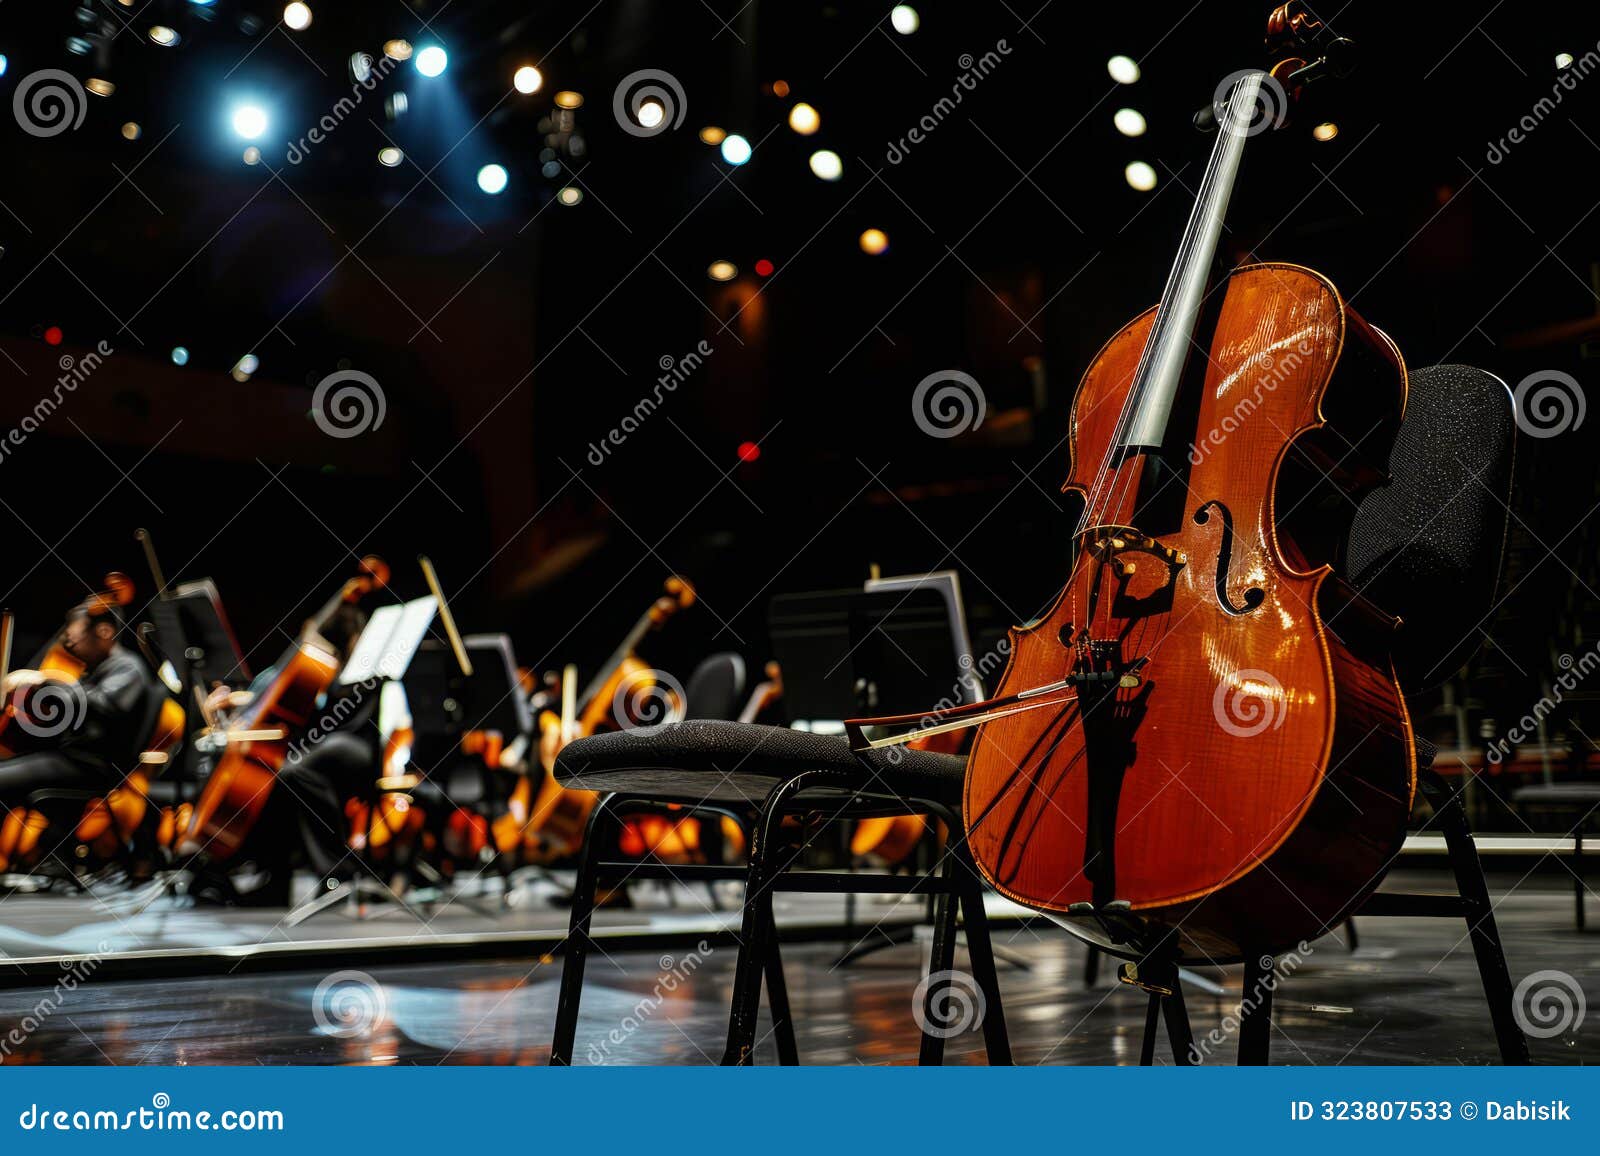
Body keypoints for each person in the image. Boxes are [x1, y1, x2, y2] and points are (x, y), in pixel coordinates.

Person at [0, 602, 165, 813]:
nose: (67, 641)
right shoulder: (97, 667)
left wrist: (43, 679)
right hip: (71, 759)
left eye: (74, 634)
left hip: (91, 767)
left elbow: (101, 704)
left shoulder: (128, 667)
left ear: (104, 632)